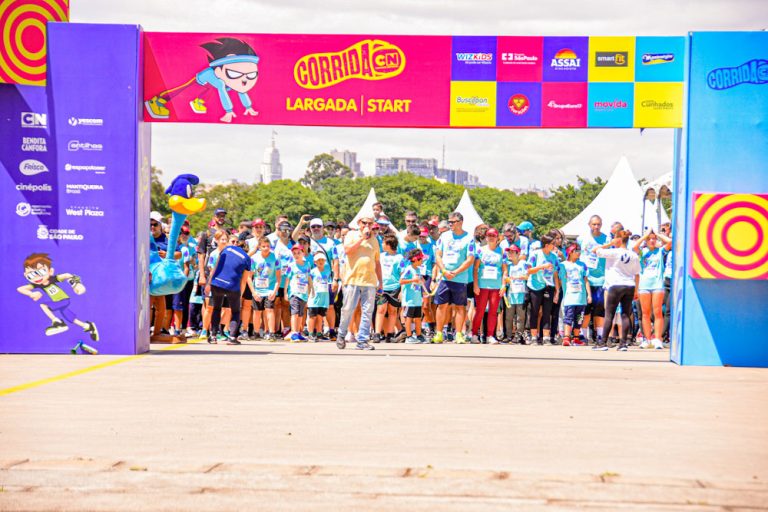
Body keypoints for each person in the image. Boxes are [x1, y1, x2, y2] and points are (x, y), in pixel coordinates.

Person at [336, 217, 381, 351]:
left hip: (370, 280)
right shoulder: (351, 235)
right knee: (348, 309)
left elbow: (377, 262)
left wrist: (381, 282)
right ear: (358, 224)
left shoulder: (374, 239)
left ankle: (362, 340)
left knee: (367, 311)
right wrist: (362, 238)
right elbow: (348, 250)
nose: (367, 225)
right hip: (353, 279)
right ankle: (341, 334)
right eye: (364, 223)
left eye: (369, 223)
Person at [591, 230, 641, 351]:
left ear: (618, 240)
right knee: (625, 314)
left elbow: (595, 250)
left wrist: (608, 244)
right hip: (629, 285)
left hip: (615, 285)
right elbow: (637, 274)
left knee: (609, 314)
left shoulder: (613, 252)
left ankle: (602, 343)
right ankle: (623, 344)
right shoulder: (633, 254)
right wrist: (636, 290)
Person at [432, 212, 476, 344]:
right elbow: (438, 255)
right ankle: (439, 333)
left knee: (460, 307)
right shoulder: (444, 236)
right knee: (441, 305)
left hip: (460, 278)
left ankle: (458, 334)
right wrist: (444, 270)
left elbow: (470, 259)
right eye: (449, 222)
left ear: (461, 222)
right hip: (444, 277)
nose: (450, 224)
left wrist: (456, 272)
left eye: (453, 222)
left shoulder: (469, 238)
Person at [205, 234, 252, 345]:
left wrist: (209, 283)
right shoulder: (247, 258)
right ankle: (232, 337)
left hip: (217, 283)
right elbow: (244, 280)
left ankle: (213, 336)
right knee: (235, 311)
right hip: (232, 286)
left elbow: (216, 267)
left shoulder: (226, 249)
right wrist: (239, 295)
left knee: (216, 308)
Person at [633, 228, 672, 349]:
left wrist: (658, 234)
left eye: (653, 239)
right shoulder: (642, 252)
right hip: (644, 285)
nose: (652, 241)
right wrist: (645, 236)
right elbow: (635, 246)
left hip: (657, 284)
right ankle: (647, 339)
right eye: (650, 239)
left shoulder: (660, 251)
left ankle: (657, 339)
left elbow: (670, 242)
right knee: (645, 313)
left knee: (658, 312)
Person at [577, 215, 609, 345]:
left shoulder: (606, 238)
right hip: (586, 278)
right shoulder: (581, 238)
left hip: (600, 278)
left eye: (598, 224)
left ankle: (600, 335)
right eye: (594, 224)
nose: (596, 227)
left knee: (599, 308)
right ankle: (582, 335)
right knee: (585, 309)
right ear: (589, 224)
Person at [471, 228, 505, 344]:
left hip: (496, 286)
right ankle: (474, 334)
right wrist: (475, 284)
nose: (491, 237)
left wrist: (504, 285)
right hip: (482, 285)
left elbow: (505, 270)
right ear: (486, 237)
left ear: (497, 238)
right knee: (479, 311)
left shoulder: (501, 252)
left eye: (493, 235)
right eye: (489, 235)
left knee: (493, 311)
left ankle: (490, 335)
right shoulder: (480, 250)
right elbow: (475, 269)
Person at [526, 234, 561, 345]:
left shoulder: (554, 257)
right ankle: (533, 337)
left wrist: (557, 290)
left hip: (549, 286)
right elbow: (529, 270)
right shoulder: (535, 254)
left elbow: (555, 274)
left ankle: (546, 337)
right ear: (547, 245)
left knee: (547, 312)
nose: (555, 246)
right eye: (553, 244)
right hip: (535, 286)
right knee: (535, 312)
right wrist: (542, 267)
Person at [246, 236, 280, 341]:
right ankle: (256, 332)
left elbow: (279, 277)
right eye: (263, 246)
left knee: (269, 310)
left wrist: (274, 291)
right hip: (258, 290)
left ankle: (271, 333)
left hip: (269, 289)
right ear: (259, 247)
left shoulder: (275, 258)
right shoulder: (254, 258)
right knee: (257, 311)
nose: (266, 248)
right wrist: (253, 292)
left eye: (268, 246)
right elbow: (248, 277)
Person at [558, 244, 591, 346]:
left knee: (579, 318)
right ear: (570, 252)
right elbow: (559, 279)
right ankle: (566, 337)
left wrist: (589, 295)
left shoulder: (582, 265)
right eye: (576, 251)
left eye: (579, 250)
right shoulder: (563, 265)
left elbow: (586, 280)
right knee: (568, 317)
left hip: (581, 297)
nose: (579, 253)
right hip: (569, 297)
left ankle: (576, 338)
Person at [374, 235, 403, 343]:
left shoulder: (399, 257)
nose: (382, 245)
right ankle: (377, 333)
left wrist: (402, 290)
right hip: (382, 287)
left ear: (389, 245)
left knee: (392, 311)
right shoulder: (381, 256)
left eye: (384, 243)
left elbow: (402, 273)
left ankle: (390, 334)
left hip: (394, 287)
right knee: (381, 309)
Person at [284, 244, 313, 342]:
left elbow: (309, 278)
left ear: (303, 253)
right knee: (295, 313)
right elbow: (287, 280)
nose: (296, 255)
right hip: (294, 292)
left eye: (298, 253)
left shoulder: (307, 265)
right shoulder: (291, 266)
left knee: (301, 313)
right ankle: (294, 332)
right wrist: (285, 293)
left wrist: (311, 289)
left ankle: (298, 332)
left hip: (303, 293)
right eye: (294, 253)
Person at [400, 248, 427, 344]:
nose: (422, 261)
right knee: (409, 318)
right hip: (409, 300)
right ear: (415, 260)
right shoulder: (408, 269)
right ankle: (409, 336)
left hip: (417, 300)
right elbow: (401, 281)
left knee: (418, 317)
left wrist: (422, 281)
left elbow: (422, 281)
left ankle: (419, 335)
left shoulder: (419, 270)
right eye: (421, 259)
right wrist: (412, 280)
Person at [503, 245, 528, 344]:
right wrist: (507, 280)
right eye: (509, 252)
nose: (510, 254)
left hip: (521, 294)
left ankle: (518, 335)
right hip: (511, 294)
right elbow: (505, 277)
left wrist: (518, 277)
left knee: (520, 317)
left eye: (512, 252)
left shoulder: (523, 263)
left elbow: (527, 276)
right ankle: (509, 336)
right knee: (508, 316)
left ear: (518, 253)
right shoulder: (508, 265)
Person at [307, 251, 331, 342]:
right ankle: (310, 333)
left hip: (324, 297)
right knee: (313, 316)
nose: (320, 262)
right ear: (315, 262)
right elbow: (309, 284)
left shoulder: (327, 271)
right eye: (318, 260)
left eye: (322, 260)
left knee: (321, 316)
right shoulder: (312, 272)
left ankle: (319, 333)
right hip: (314, 297)